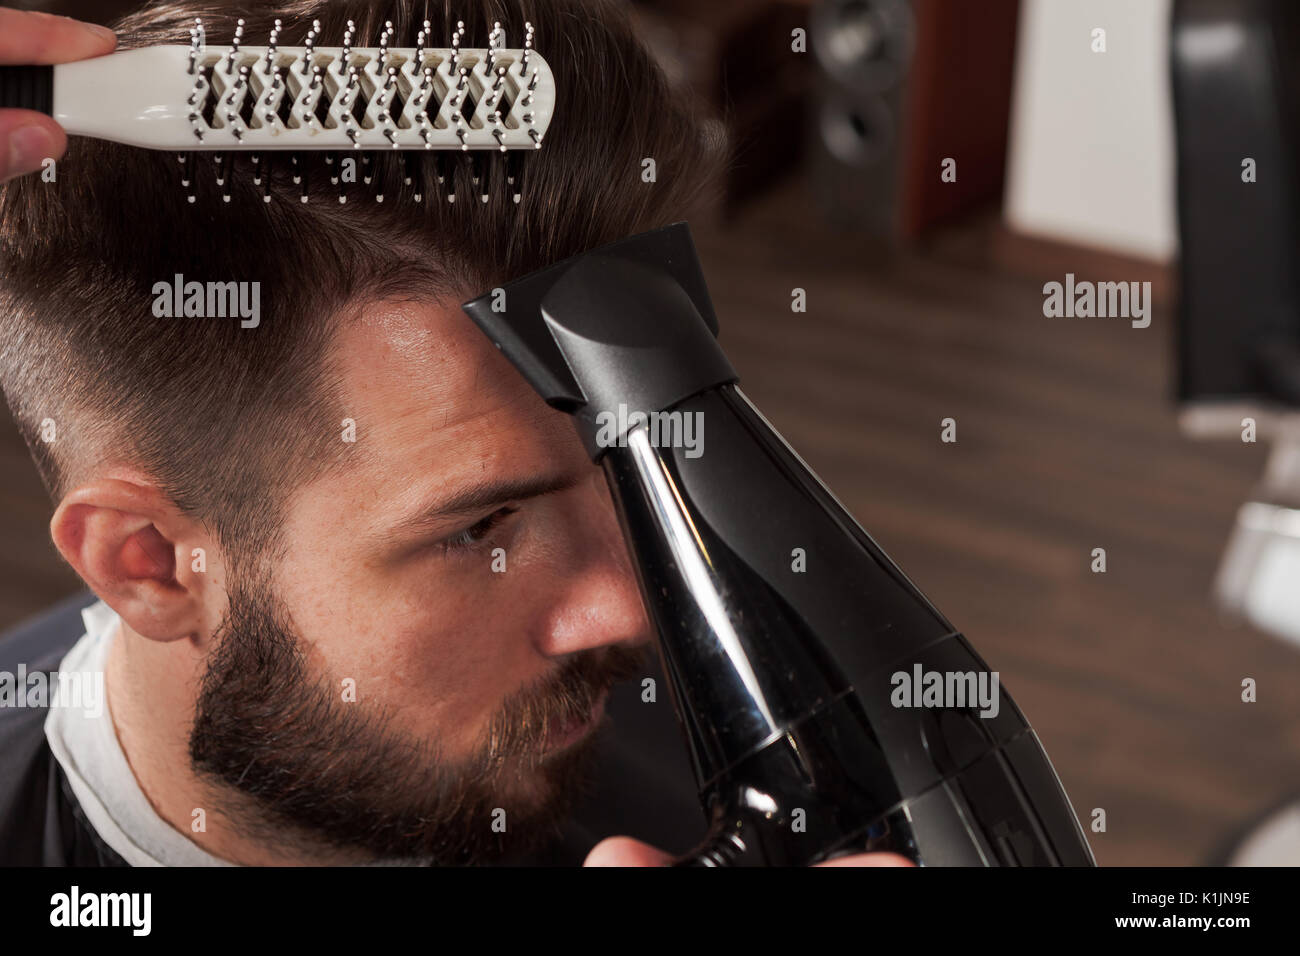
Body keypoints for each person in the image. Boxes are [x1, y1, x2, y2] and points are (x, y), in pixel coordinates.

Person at [0, 0, 909, 868]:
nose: (633, 608)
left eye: (631, 459)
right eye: (481, 528)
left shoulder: (764, 748)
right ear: (149, 562)